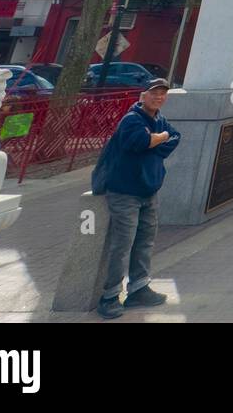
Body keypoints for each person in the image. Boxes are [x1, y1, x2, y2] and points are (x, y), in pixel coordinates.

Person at [94, 79, 181, 319]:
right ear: (143, 95)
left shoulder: (160, 121)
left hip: (148, 190)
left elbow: (174, 138)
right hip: (124, 191)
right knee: (122, 244)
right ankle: (110, 296)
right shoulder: (131, 120)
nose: (159, 97)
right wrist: (158, 138)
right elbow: (139, 143)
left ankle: (139, 288)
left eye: (163, 93)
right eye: (154, 93)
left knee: (145, 241)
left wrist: (157, 138)